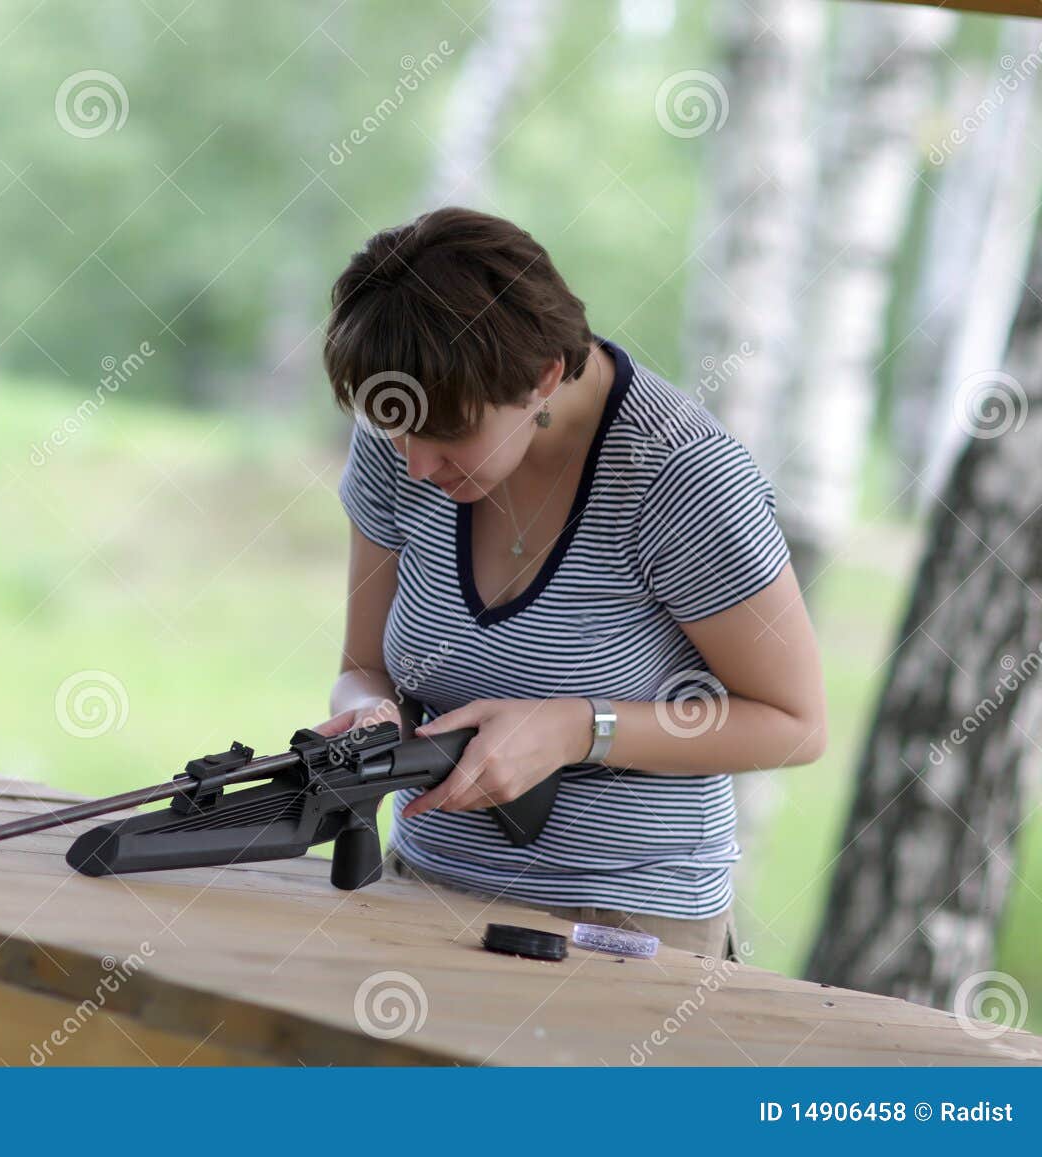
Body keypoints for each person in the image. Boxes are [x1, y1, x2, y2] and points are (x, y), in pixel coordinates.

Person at [316, 207, 827, 960]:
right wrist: (367, 715)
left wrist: (580, 728)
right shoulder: (407, 426)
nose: (415, 465)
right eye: (395, 430)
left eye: (449, 434)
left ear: (546, 376)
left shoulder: (679, 477)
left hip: (620, 927)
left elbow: (796, 722)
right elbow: (364, 669)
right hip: (418, 889)